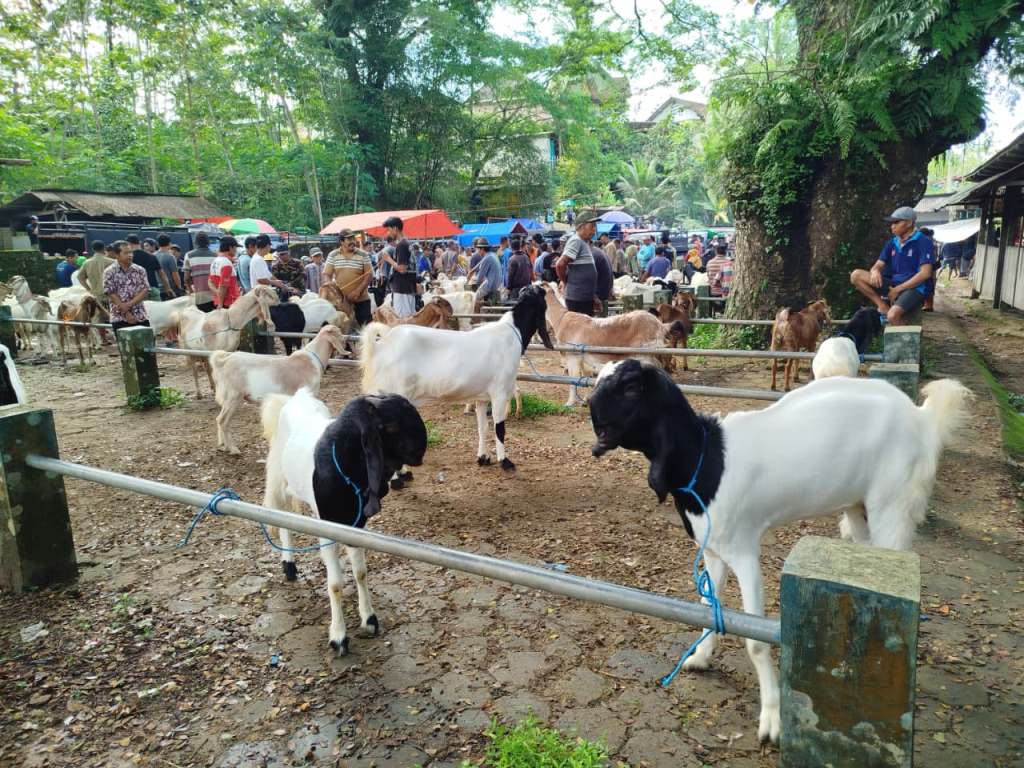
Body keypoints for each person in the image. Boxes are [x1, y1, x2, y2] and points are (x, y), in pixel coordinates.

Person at [850, 206, 934, 325]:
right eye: (891, 223)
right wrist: (875, 271)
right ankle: (882, 306)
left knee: (893, 315)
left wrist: (897, 290)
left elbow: (925, 273)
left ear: (909, 223)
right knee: (856, 275)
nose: (892, 226)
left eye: (896, 222)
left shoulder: (923, 241)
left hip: (915, 288)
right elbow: (878, 265)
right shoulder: (892, 242)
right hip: (893, 284)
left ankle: (905, 341)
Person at [324, 229, 374, 327]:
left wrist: (357, 291)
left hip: (361, 300)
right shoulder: (333, 255)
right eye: (348, 239)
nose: (352, 241)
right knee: (343, 331)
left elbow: (369, 275)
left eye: (353, 238)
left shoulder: (363, 254)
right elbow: (327, 275)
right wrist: (334, 293)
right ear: (341, 242)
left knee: (365, 330)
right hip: (341, 303)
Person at [555, 212, 599, 315]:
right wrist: (565, 282)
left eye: (595, 227)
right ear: (582, 226)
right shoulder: (576, 241)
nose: (594, 230)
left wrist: (593, 297)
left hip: (583, 298)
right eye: (592, 226)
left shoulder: (583, 242)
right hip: (577, 299)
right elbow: (560, 265)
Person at [102, 240, 150, 334]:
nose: (130, 255)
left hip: (140, 315)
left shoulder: (139, 270)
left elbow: (145, 290)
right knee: (125, 348)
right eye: (126, 253)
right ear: (117, 255)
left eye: (131, 252)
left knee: (145, 347)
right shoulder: (109, 272)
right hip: (119, 317)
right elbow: (110, 293)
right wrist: (126, 312)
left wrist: (129, 305)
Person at [380, 216, 417, 318]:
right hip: (408, 287)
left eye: (389, 229)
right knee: (409, 317)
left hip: (402, 288)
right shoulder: (406, 243)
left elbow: (402, 269)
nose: (388, 233)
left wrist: (388, 259)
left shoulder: (401, 245)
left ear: (395, 228)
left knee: (402, 319)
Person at [126, 234, 168, 300]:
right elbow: (162, 274)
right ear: (139, 242)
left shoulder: (128, 258)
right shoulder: (152, 256)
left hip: (138, 291)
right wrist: (168, 288)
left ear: (128, 244)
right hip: (153, 289)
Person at [183, 232, 217, 312]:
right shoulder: (215, 255)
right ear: (208, 242)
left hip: (199, 297)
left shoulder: (189, 255)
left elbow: (186, 278)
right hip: (215, 296)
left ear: (195, 242)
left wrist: (190, 291)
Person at [209, 236, 241, 309]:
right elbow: (223, 285)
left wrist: (218, 293)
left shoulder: (215, 261)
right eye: (235, 247)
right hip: (229, 303)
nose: (236, 250)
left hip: (218, 301)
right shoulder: (226, 263)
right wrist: (221, 304)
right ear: (230, 248)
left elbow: (210, 282)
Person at [468, 237, 502, 304]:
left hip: (491, 285)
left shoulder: (487, 258)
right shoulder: (492, 255)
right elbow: (480, 264)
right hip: (497, 284)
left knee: (473, 299)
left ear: (482, 249)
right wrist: (472, 271)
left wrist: (471, 281)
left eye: (477, 249)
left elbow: (479, 279)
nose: (477, 251)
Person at [155, 234, 183, 299]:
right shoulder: (170, 257)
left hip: (157, 289)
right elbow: (175, 275)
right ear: (170, 243)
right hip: (169, 290)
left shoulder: (153, 256)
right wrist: (179, 287)